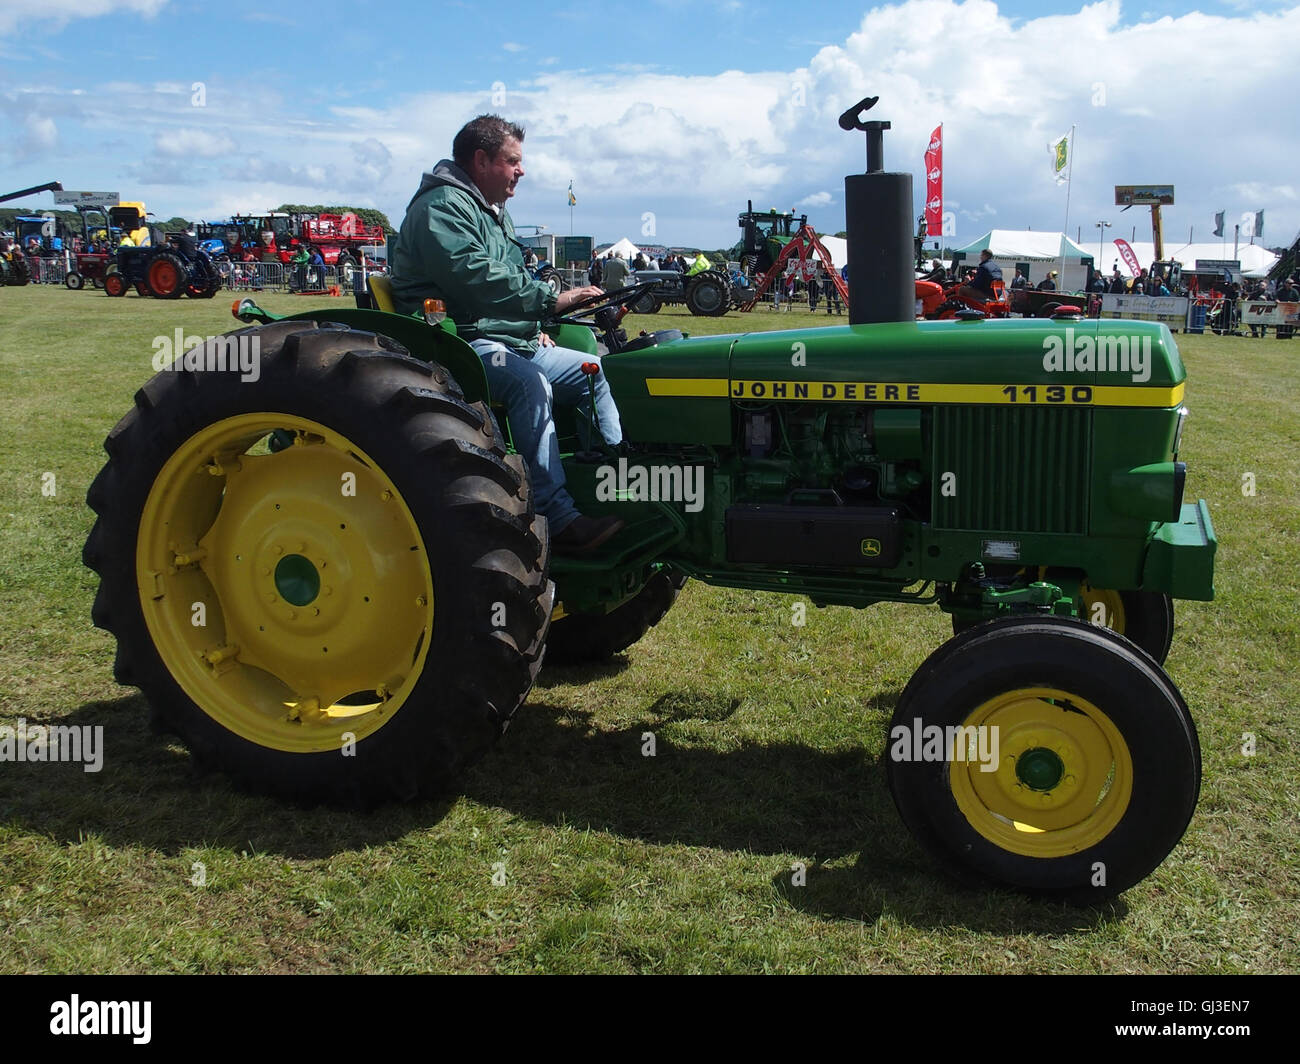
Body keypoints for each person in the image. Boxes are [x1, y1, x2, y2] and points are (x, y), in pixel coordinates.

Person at [390, 113, 624, 553]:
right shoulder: (441, 208)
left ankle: (618, 479)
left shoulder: (495, 213)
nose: (522, 171)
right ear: (481, 160)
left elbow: (510, 276)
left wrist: (537, 328)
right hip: (452, 340)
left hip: (502, 338)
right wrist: (550, 302)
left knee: (592, 369)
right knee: (528, 383)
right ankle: (559, 517)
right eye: (513, 161)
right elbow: (476, 278)